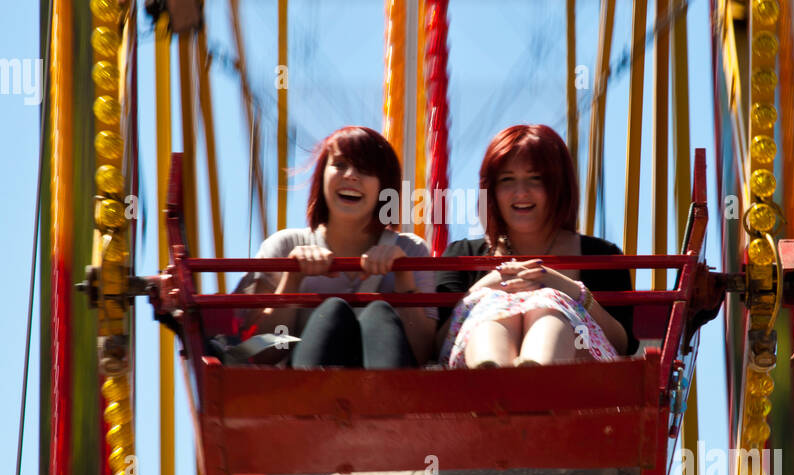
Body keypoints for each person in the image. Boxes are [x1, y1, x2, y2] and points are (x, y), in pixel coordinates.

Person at [436, 124, 640, 368]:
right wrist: (484, 288)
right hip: (476, 375)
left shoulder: (601, 255)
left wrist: (565, 289)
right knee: (491, 317)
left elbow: (623, 343)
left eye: (535, 179)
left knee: (550, 311)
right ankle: (493, 375)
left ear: (558, 187)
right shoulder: (462, 256)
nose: (521, 193)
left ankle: (532, 376)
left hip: (577, 379)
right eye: (507, 180)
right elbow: (435, 345)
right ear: (491, 191)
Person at [236, 126, 437, 367]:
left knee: (378, 313)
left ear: (384, 187)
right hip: (308, 391)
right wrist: (291, 281)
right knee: (332, 311)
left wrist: (404, 276)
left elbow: (423, 351)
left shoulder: (411, 251)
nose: (351, 175)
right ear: (322, 175)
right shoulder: (285, 246)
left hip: (382, 389)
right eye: (340, 165)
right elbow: (262, 351)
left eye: (365, 169)